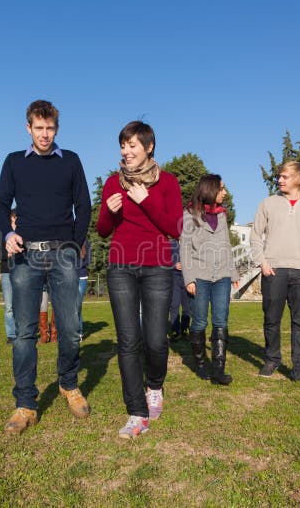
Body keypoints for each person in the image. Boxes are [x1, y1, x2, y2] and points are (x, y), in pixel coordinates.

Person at [0, 99, 92, 434]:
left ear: (56, 129)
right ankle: (25, 403)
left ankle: (69, 385)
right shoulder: (14, 162)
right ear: (28, 128)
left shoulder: (71, 161)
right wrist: (8, 233)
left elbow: (83, 205)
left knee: (71, 328)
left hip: (63, 255)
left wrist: (74, 244)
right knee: (24, 333)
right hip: (25, 257)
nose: (44, 134)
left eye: (49, 128)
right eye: (38, 128)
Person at [96, 120, 183, 439]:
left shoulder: (168, 182)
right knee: (128, 340)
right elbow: (103, 230)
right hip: (121, 265)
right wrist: (109, 211)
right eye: (123, 145)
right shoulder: (112, 183)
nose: (126, 151)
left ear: (149, 147)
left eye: (132, 145)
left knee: (156, 339)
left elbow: (175, 228)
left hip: (157, 266)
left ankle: (155, 385)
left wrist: (146, 200)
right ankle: (137, 412)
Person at [249, 160, 300, 384]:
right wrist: (262, 262)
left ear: (298, 179)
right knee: (271, 319)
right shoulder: (267, 203)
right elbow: (255, 236)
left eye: (285, 176)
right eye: (279, 176)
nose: (279, 180)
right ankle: (272, 359)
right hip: (274, 270)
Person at [180, 174, 239, 385]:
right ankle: (201, 364)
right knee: (200, 321)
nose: (225, 193)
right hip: (199, 276)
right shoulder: (189, 215)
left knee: (221, 320)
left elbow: (226, 245)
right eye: (221, 189)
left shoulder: (222, 215)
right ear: (210, 190)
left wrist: (233, 273)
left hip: (222, 275)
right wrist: (189, 279)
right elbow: (185, 248)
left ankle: (219, 369)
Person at [0, 208, 18, 344]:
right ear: (12, 217)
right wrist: (8, 255)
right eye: (17, 216)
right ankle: (11, 335)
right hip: (7, 272)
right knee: (9, 306)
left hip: (23, 271)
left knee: (22, 304)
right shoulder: (3, 233)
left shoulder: (25, 232)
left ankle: (23, 332)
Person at [168, 239, 191, 342]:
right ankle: (175, 331)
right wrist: (174, 265)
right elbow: (165, 260)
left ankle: (185, 329)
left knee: (187, 306)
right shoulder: (171, 244)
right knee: (174, 305)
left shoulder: (191, 244)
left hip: (188, 278)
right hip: (174, 278)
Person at [77, 239, 91, 337]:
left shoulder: (86, 242)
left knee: (77, 306)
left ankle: (79, 332)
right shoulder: (68, 239)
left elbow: (87, 261)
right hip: (68, 277)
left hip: (81, 277)